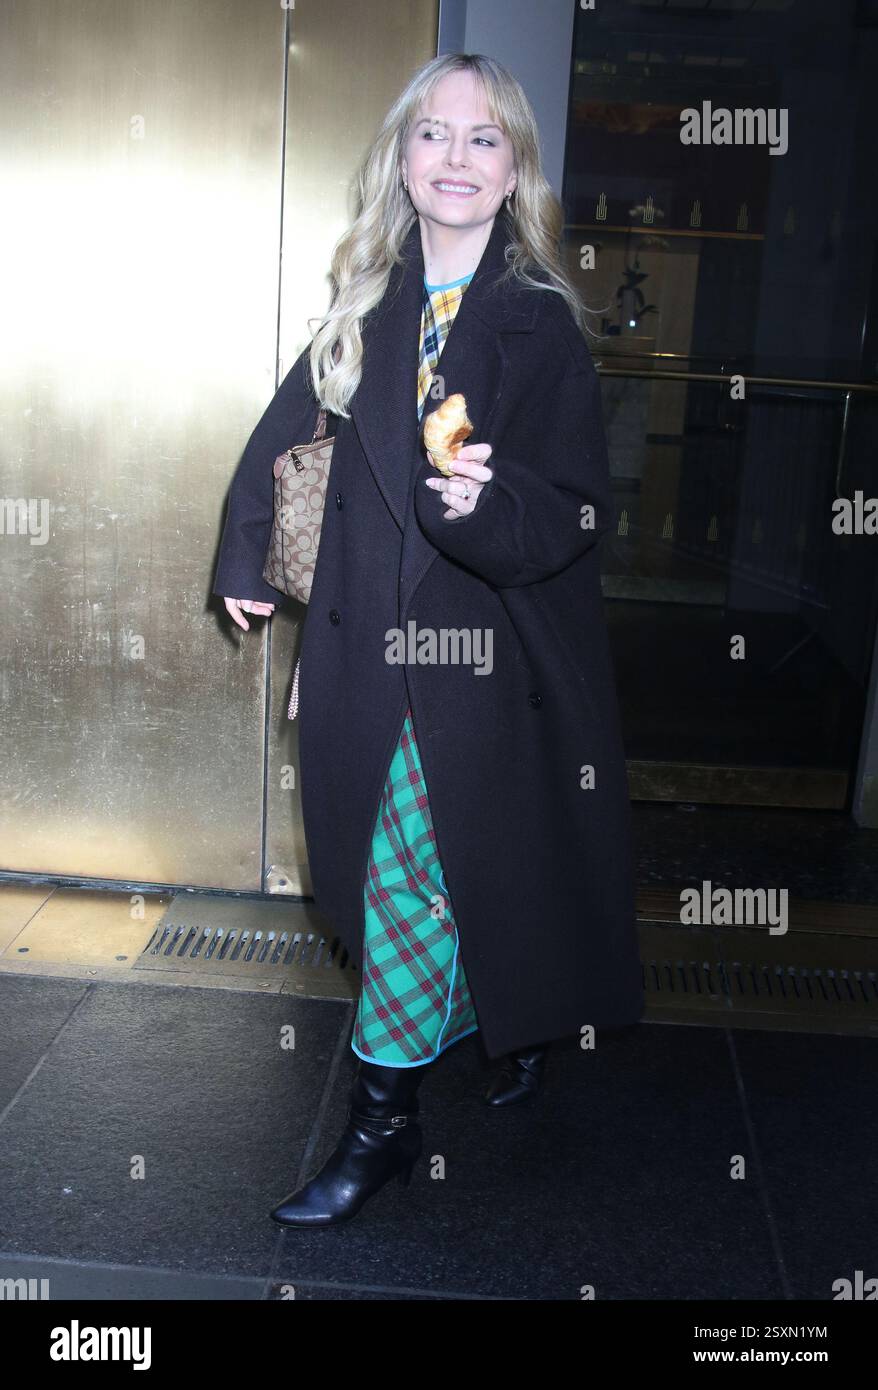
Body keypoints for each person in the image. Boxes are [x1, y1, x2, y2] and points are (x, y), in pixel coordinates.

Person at [212, 52, 643, 1228]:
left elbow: (570, 513)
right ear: (402, 160)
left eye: (483, 139)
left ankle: (382, 1127)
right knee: (421, 878)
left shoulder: (537, 326)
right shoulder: (370, 302)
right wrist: (248, 557)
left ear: (513, 174)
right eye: (433, 136)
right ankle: (511, 1013)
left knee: (410, 874)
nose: (455, 159)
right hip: (366, 642)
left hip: (483, 659)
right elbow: (283, 437)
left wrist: (485, 509)